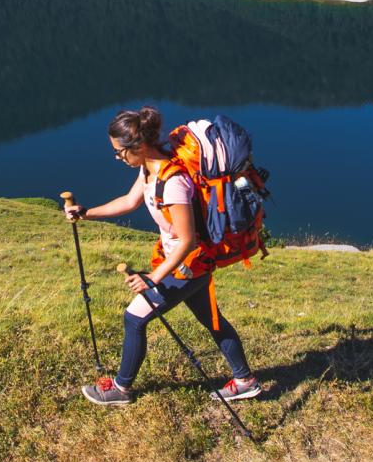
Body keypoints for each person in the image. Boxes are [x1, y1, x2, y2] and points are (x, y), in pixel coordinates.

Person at [63, 106, 260, 407]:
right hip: (186, 265)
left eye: (120, 152)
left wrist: (153, 279)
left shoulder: (173, 183)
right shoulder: (149, 169)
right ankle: (245, 380)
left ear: (139, 147)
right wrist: (86, 213)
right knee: (213, 321)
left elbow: (187, 240)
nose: (117, 157)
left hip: (188, 267)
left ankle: (121, 388)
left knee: (134, 318)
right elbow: (129, 202)